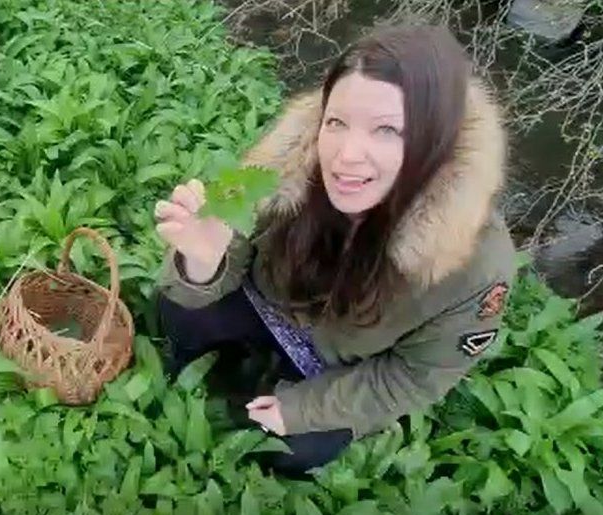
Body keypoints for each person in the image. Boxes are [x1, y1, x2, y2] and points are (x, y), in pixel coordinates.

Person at [153, 24, 516, 477]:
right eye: (336, 123)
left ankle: (259, 394)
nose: (346, 156)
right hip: (269, 305)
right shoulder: (287, 163)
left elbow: (414, 375)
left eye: (386, 130)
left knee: (293, 451)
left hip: (335, 364)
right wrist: (205, 262)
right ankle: (210, 369)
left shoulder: (475, 262)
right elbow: (231, 251)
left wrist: (302, 409)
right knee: (177, 303)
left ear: (434, 140)